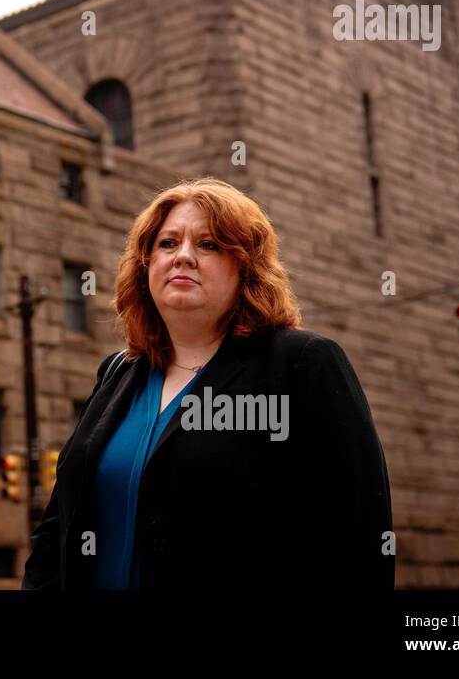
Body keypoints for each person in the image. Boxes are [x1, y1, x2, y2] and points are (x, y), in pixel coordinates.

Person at [22, 177, 394, 590]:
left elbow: (359, 538)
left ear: (245, 269)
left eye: (208, 245)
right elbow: (57, 530)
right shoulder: (117, 373)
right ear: (146, 265)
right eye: (167, 244)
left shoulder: (301, 364)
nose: (183, 256)